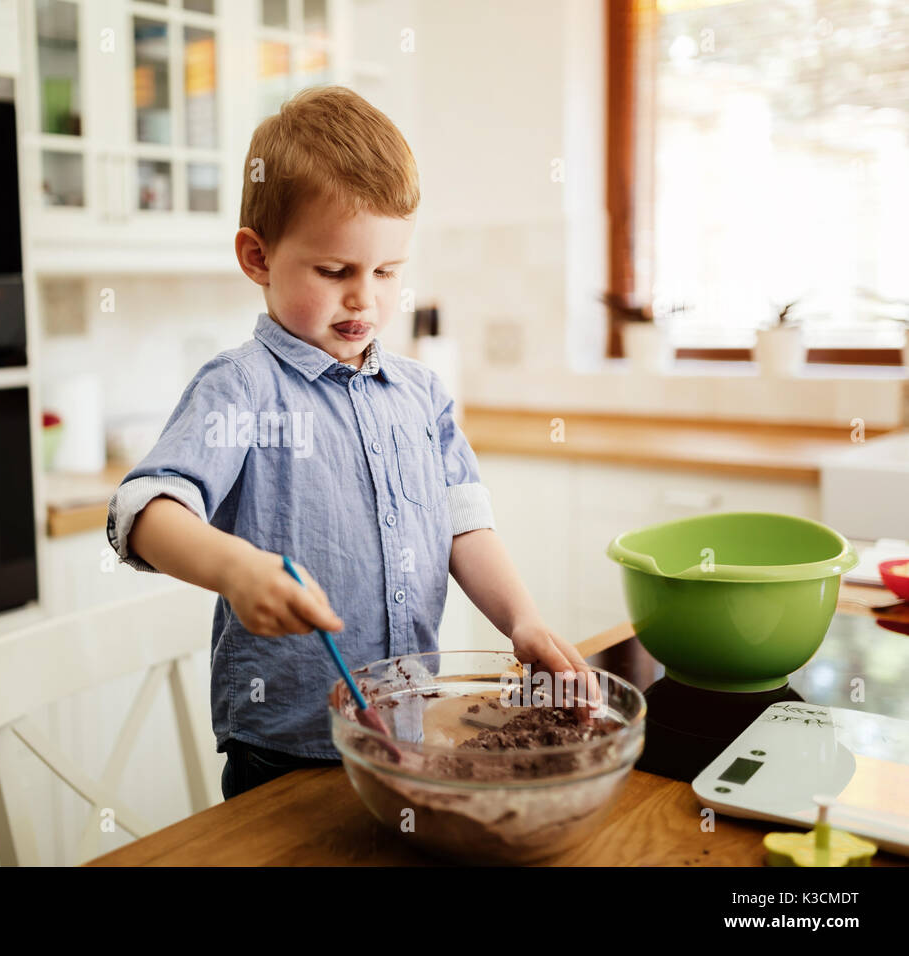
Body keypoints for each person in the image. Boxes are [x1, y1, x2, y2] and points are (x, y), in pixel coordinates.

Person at [107, 86, 593, 800]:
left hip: (404, 732)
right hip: (284, 751)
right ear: (258, 257)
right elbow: (143, 511)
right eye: (334, 272)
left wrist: (523, 621)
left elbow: (465, 525)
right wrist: (235, 570)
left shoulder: (422, 396)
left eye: (387, 272)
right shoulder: (241, 388)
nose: (364, 297)